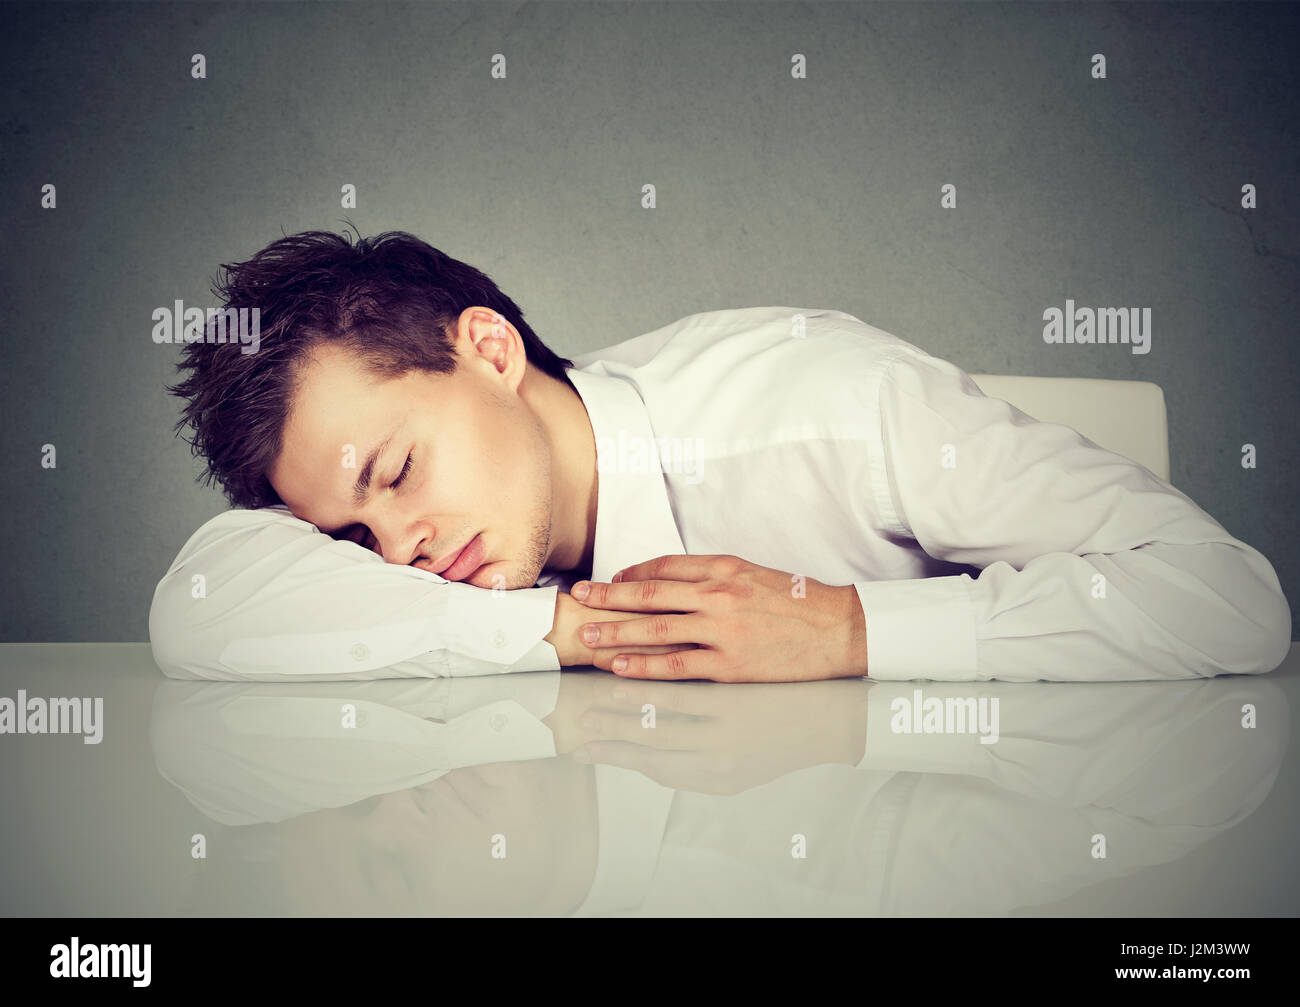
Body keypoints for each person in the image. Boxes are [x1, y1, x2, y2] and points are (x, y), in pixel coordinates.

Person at [149, 228, 1291, 683]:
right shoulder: (464, 574)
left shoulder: (830, 405)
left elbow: (1231, 599)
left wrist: (847, 627)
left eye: (394, 475)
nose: (398, 550)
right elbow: (200, 603)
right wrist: (562, 624)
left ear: (489, 349)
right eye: (353, 536)